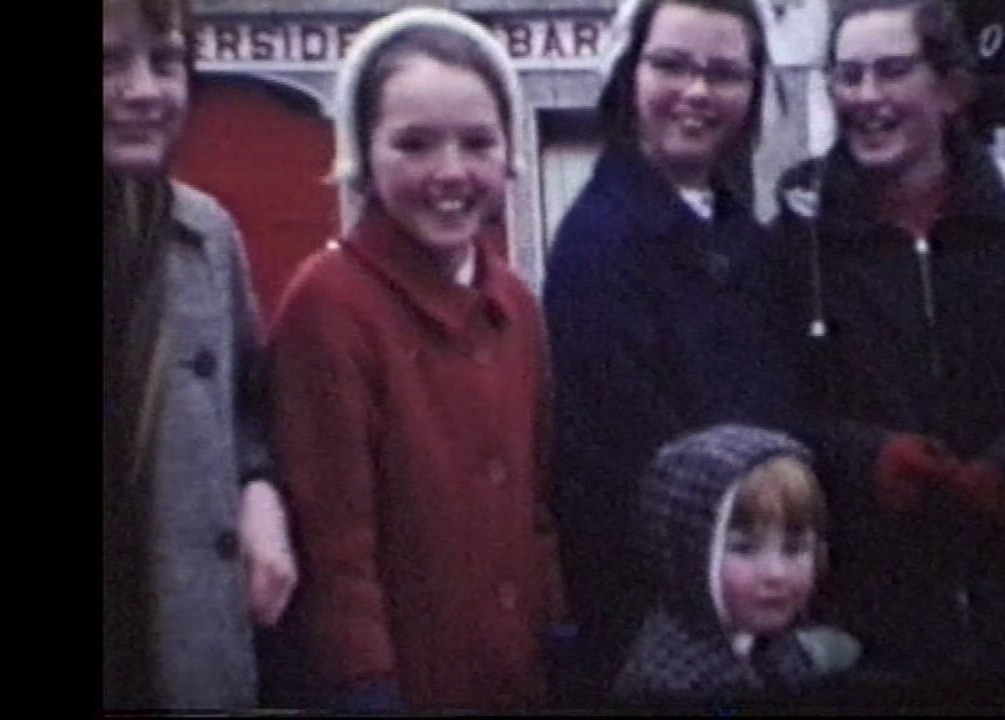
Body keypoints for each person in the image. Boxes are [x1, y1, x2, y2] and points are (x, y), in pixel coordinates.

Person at [266, 7, 564, 712]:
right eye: (415, 145)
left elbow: (536, 503)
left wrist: (554, 624)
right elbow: (335, 541)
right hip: (410, 682)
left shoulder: (517, 304)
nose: (451, 172)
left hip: (514, 673)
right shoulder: (329, 303)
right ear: (364, 154)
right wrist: (364, 685)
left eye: (477, 142)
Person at [541, 0, 800, 696]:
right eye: (672, 64)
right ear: (630, 76)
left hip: (759, 606)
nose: (696, 92)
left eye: (724, 72)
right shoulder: (598, 247)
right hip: (663, 636)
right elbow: (618, 472)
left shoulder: (745, 237)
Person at [772, 0, 1005, 679]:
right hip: (867, 616)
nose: (867, 98)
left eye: (891, 72)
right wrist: (868, 460)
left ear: (949, 90)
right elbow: (769, 400)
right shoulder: (800, 231)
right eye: (848, 76)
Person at [103, 0, 298, 709]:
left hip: (184, 654)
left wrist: (259, 491)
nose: (145, 90)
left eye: (166, 62)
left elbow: (250, 402)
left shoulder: (206, 236)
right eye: (109, 63)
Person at [614, 424, 860, 707]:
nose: (776, 574)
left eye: (793, 549)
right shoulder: (672, 684)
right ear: (687, 558)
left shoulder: (776, 648)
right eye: (744, 549)